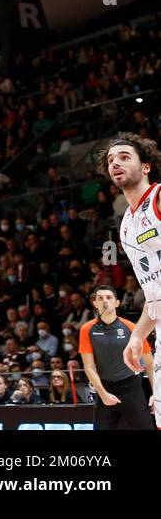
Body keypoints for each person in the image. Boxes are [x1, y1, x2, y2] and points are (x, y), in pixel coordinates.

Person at [108, 135, 161, 428]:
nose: (115, 162)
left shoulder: (159, 198)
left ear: (146, 167)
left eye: (125, 156)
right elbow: (155, 292)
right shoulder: (126, 226)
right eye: (110, 160)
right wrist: (138, 336)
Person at [79, 284, 153, 429]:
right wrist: (103, 393)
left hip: (131, 387)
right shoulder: (86, 329)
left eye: (109, 297)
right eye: (100, 298)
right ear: (94, 303)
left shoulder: (131, 327)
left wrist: (157, 393)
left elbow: (150, 364)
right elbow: (89, 367)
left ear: (117, 302)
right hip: (104, 387)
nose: (104, 301)